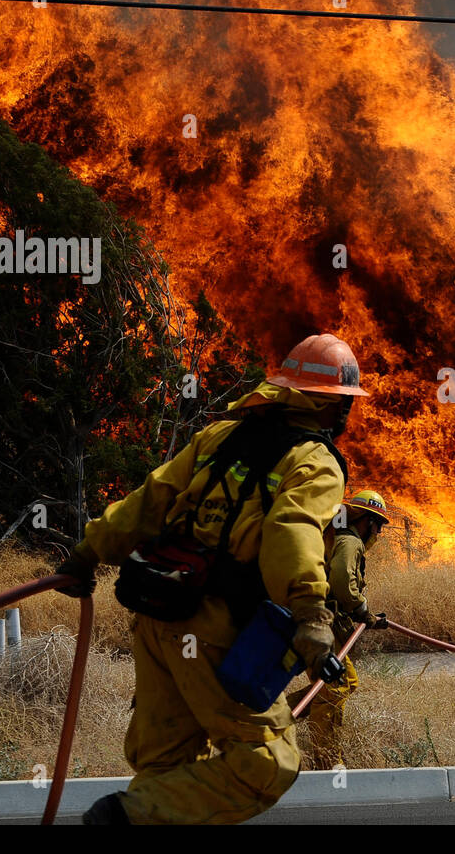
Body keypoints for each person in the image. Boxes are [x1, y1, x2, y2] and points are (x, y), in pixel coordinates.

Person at [54, 333, 366, 824]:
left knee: (165, 763)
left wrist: (89, 551)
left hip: (158, 614)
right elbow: (292, 531)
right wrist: (310, 613)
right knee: (267, 763)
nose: (347, 415)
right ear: (331, 404)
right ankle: (120, 819)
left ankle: (133, 818)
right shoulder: (315, 461)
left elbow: (151, 497)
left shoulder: (221, 436)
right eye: (346, 404)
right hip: (213, 627)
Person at [289, 490, 389, 769]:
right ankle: (327, 761)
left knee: (345, 682)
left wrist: (367, 616)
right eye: (378, 525)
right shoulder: (350, 541)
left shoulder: (337, 537)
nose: (378, 533)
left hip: (317, 620)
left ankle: (276, 717)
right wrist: (362, 611)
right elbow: (344, 582)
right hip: (321, 623)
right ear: (366, 521)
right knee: (336, 686)